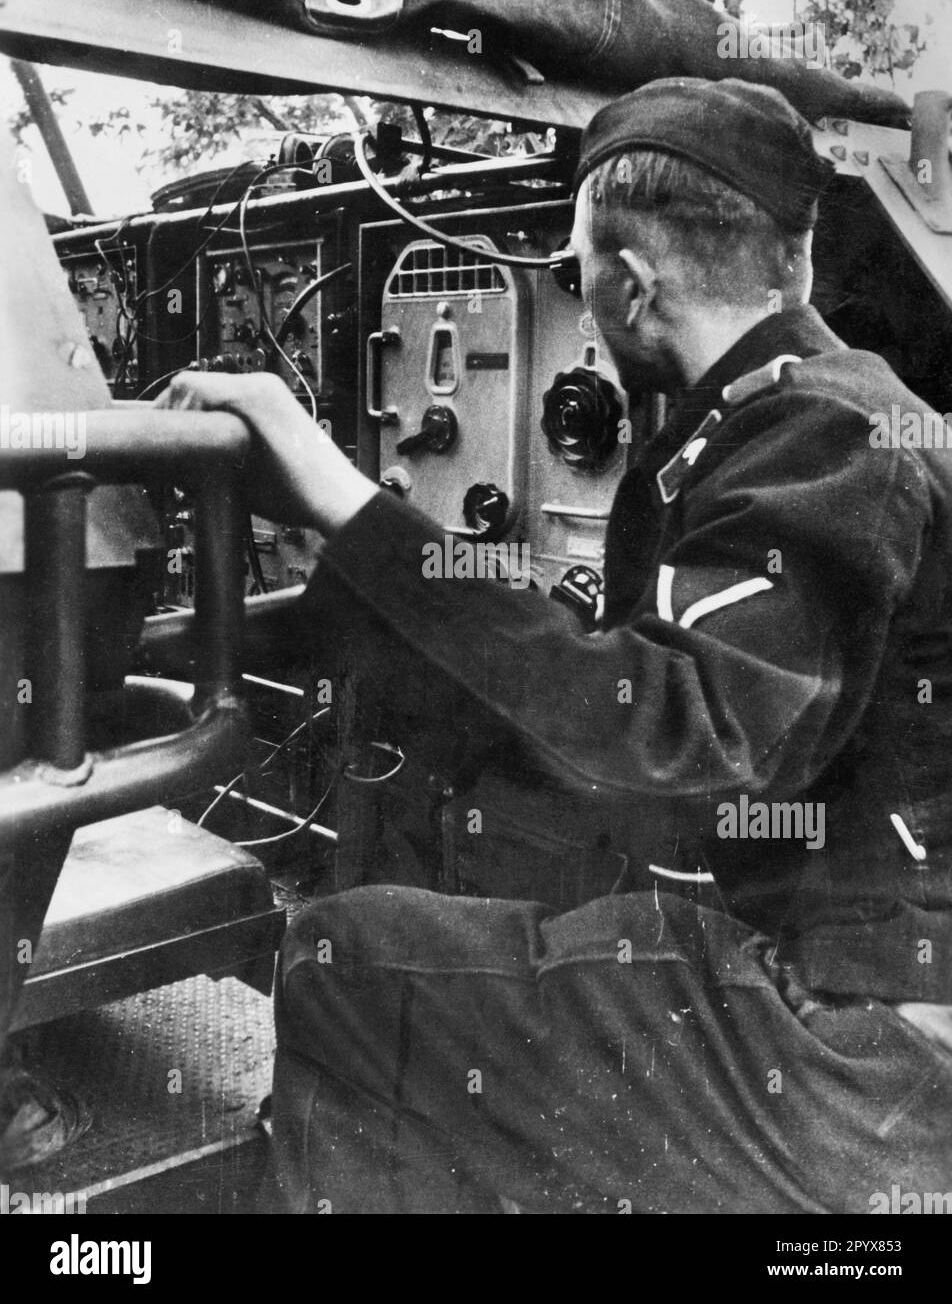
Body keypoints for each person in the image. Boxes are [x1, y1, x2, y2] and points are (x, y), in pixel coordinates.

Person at [159, 78, 952, 1214]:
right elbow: (626, 656)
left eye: (574, 269)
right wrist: (403, 550)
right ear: (800, 265)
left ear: (626, 285)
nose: (578, 295)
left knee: (342, 957)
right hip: (862, 984)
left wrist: (342, 497)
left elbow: (683, 739)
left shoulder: (826, 441)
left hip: (866, 1051)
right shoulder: (820, 409)